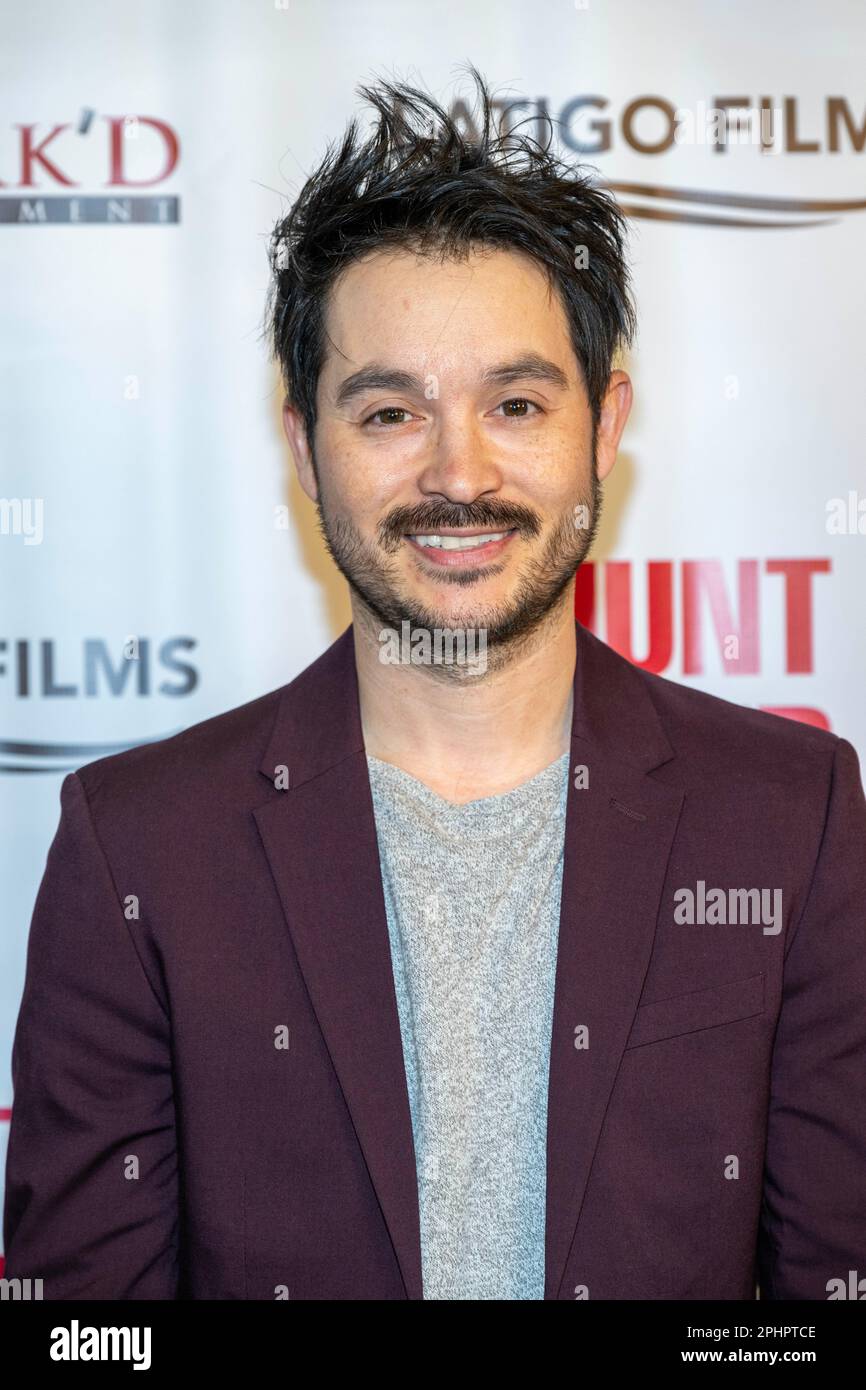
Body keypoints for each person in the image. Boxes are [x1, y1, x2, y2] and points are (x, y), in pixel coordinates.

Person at [4, 66, 866, 1301]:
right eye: (389, 412)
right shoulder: (136, 847)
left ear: (601, 428)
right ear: (303, 446)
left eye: (515, 403)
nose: (458, 474)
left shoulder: (790, 816)